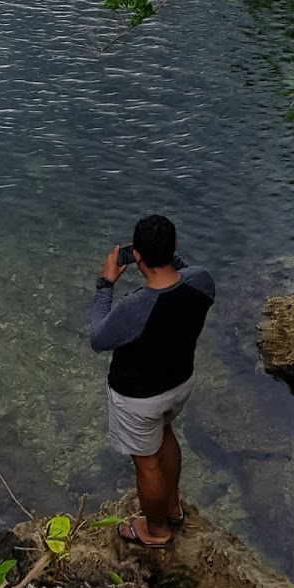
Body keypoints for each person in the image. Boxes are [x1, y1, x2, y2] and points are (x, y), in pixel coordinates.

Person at [89, 213, 214, 548]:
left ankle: (156, 531)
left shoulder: (135, 307)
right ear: (174, 246)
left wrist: (106, 283)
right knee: (164, 435)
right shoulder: (202, 281)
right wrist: (162, 255)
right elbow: (183, 272)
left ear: (137, 257)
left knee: (147, 463)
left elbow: (98, 337)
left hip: (139, 397)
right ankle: (172, 506)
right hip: (178, 385)